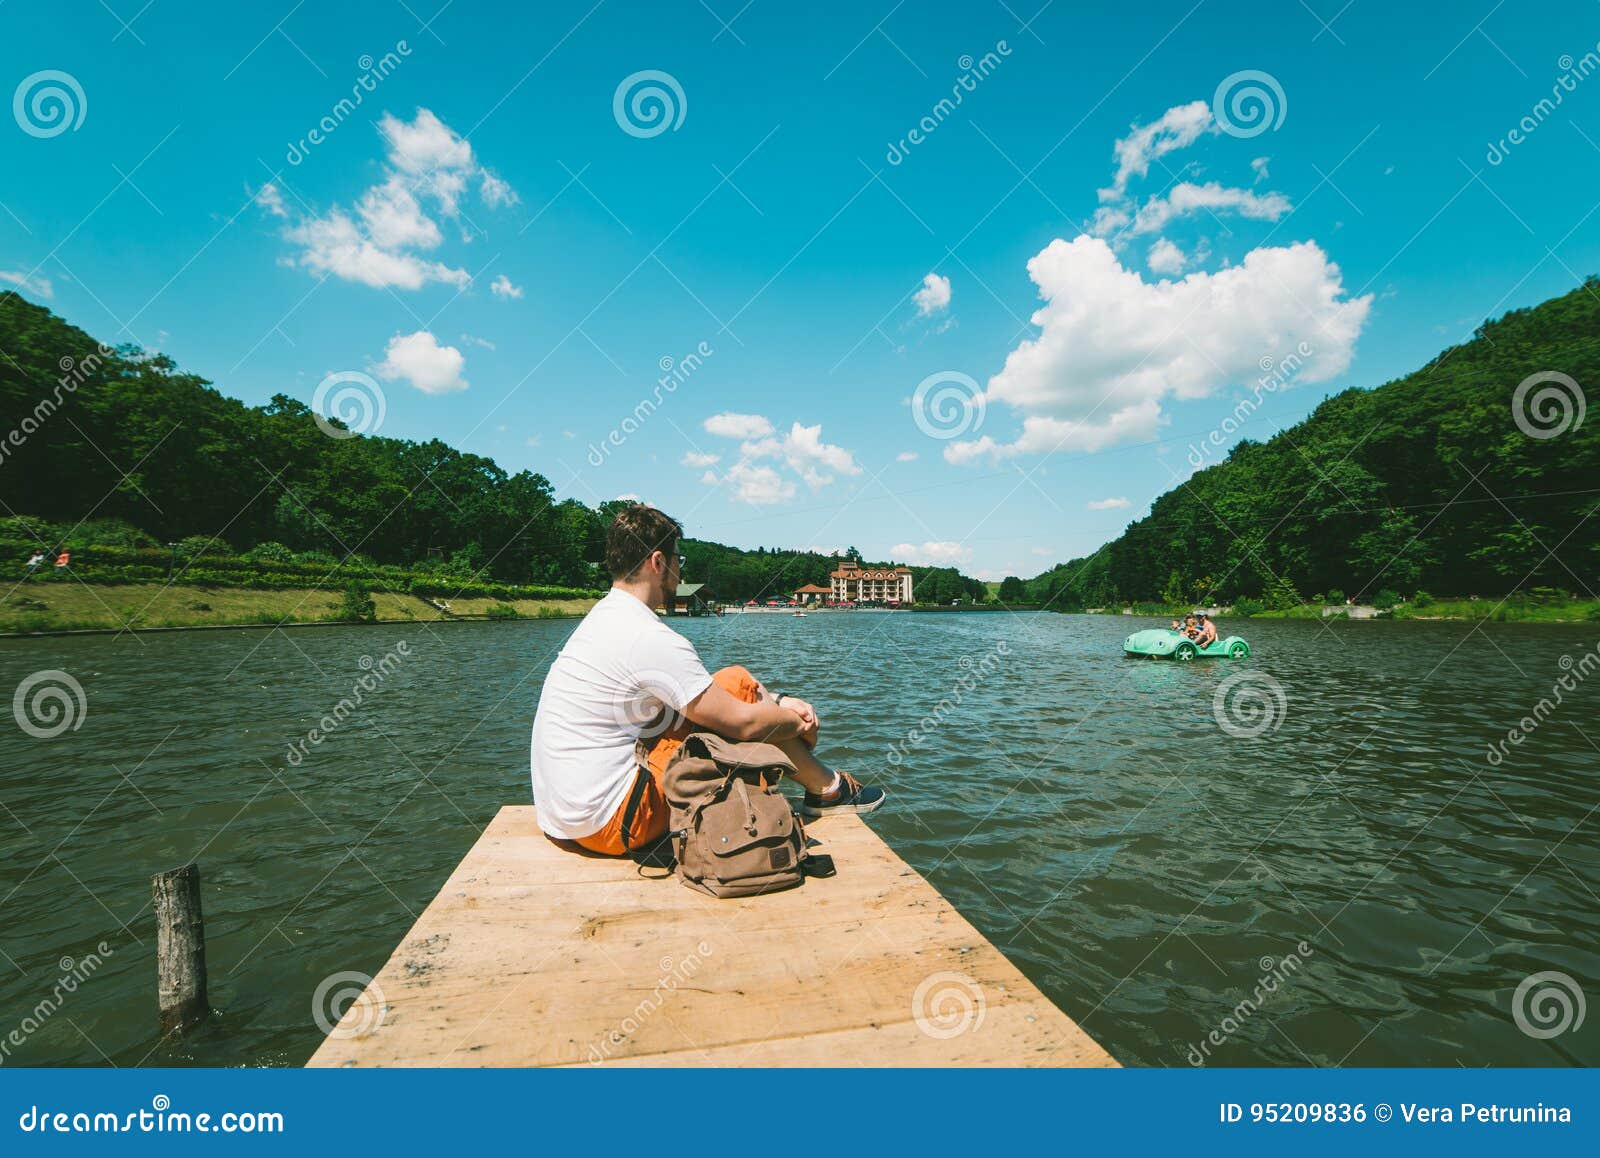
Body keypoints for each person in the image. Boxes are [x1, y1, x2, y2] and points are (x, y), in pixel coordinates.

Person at [530, 504, 885, 857]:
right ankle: (829, 790)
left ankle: (826, 788)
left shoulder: (604, 618)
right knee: (738, 684)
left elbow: (696, 693)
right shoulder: (647, 636)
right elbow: (743, 723)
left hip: (564, 820)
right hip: (617, 823)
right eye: (678, 560)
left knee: (733, 691)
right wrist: (796, 721)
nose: (680, 571)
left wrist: (778, 702)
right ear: (658, 562)